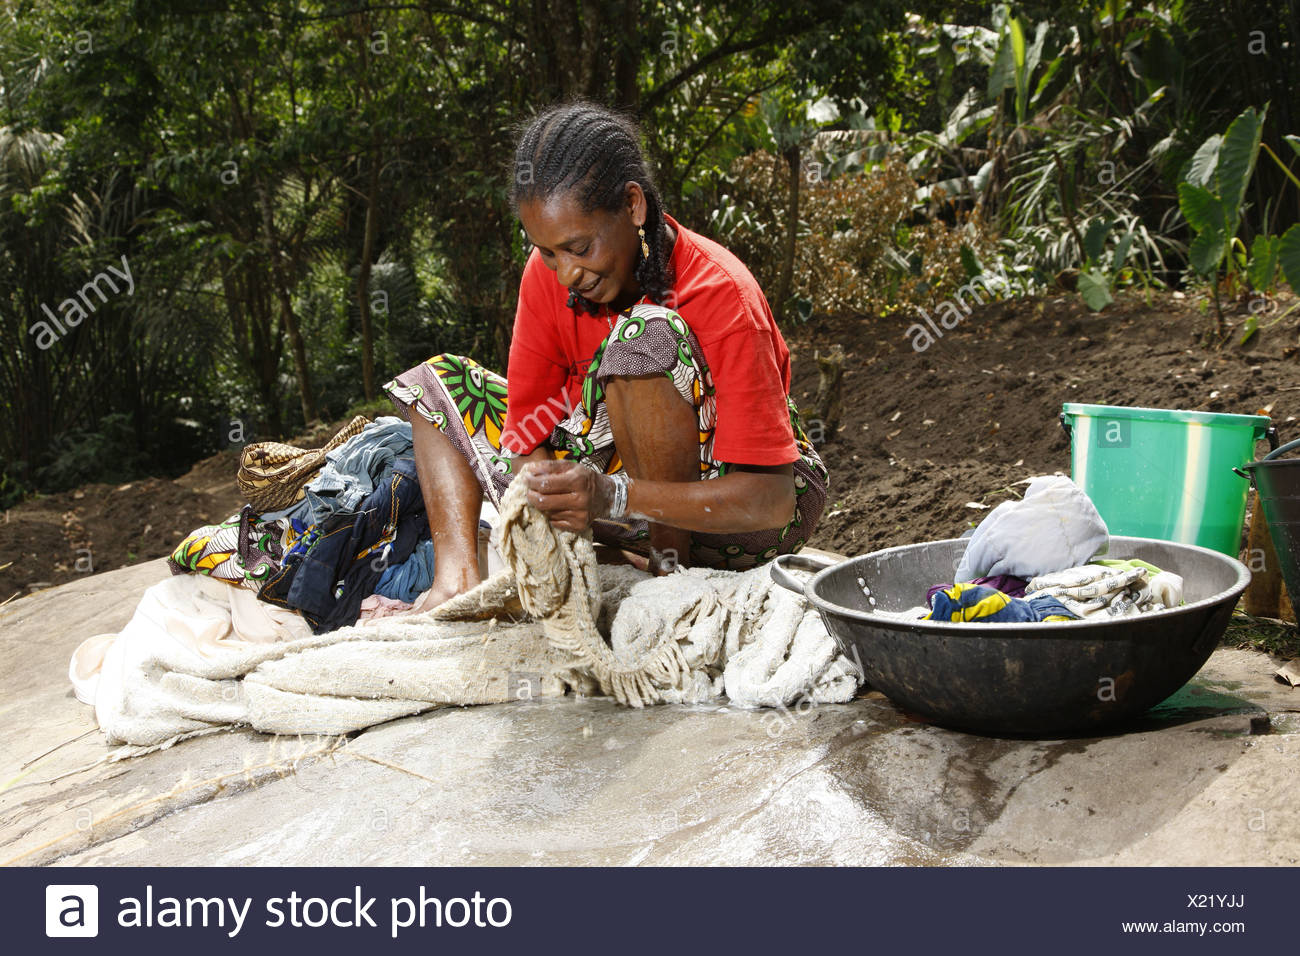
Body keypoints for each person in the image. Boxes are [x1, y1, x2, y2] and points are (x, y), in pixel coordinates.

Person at [383, 100, 828, 613]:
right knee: (438, 383)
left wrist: (612, 496)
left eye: (579, 247)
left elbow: (769, 500)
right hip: (610, 493)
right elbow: (527, 436)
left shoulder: (722, 291)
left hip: (744, 515)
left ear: (633, 205)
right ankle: (456, 583)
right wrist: (549, 529)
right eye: (549, 253)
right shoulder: (546, 276)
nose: (567, 272)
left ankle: (668, 573)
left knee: (644, 336)